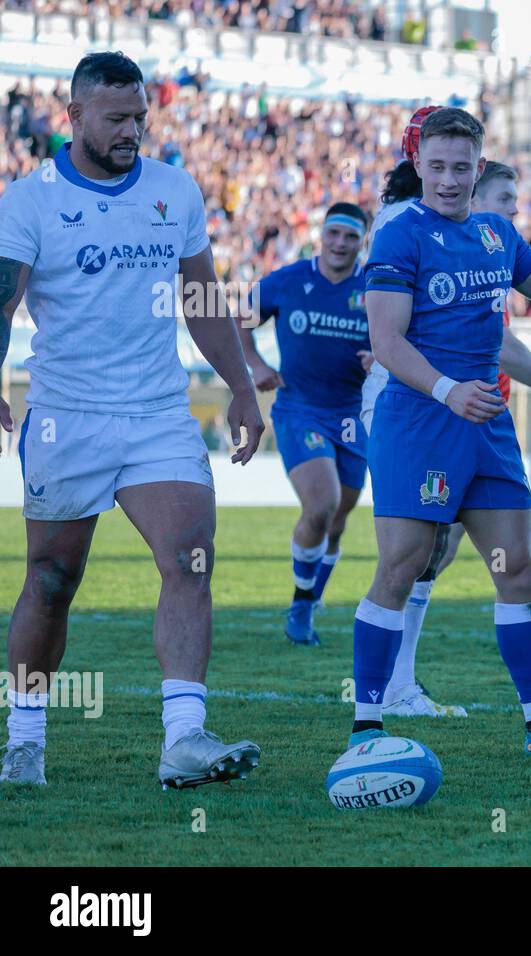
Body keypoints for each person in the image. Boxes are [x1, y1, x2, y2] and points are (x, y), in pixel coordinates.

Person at [0, 52, 264, 789]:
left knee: (190, 557)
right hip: (65, 419)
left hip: (156, 414)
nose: (131, 131)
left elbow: (203, 297)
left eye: (139, 117)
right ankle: (25, 740)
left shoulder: (173, 190)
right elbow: (2, 303)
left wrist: (242, 387)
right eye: (116, 118)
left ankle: (183, 738)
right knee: (53, 580)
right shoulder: (30, 201)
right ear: (74, 117)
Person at [352, 107, 531, 758]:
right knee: (401, 565)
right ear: (418, 165)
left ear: (479, 167)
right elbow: (385, 340)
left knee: (519, 567)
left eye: (461, 168)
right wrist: (447, 389)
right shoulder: (399, 234)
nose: (448, 180)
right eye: (437, 167)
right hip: (421, 420)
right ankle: (366, 728)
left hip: (487, 425)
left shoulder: (498, 234)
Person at [239, 202, 373, 646]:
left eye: (350, 236)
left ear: (362, 242)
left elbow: (401, 339)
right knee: (322, 505)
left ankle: (312, 599)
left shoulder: (375, 288)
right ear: (321, 235)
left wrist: (382, 359)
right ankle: (300, 603)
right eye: (334, 233)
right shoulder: (290, 280)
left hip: (356, 416)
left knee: (337, 523)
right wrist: (255, 365)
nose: (340, 243)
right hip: (300, 410)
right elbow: (237, 318)